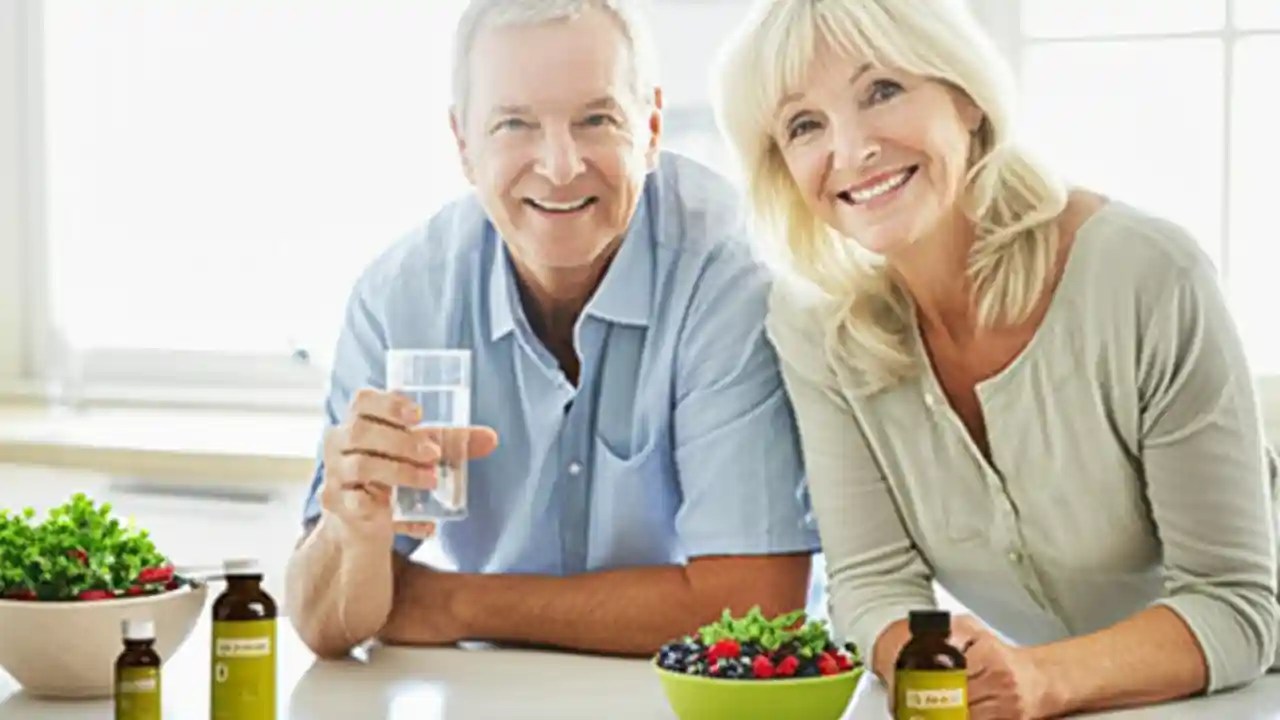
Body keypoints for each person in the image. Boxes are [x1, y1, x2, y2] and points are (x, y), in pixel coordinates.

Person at [714, 0, 1279, 717]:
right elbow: (871, 581)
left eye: (882, 90)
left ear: (967, 98)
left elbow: (1234, 604)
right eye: (804, 125)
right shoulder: (814, 326)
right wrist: (937, 671)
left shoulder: (1145, 273)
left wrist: (1038, 678)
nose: (850, 150)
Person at [284, 0, 819, 660]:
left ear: (650, 128)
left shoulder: (728, 276)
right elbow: (323, 623)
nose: (560, 166)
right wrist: (354, 534)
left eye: (596, 120)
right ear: (463, 146)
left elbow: (752, 607)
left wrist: (453, 601)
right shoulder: (403, 296)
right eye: (514, 125)